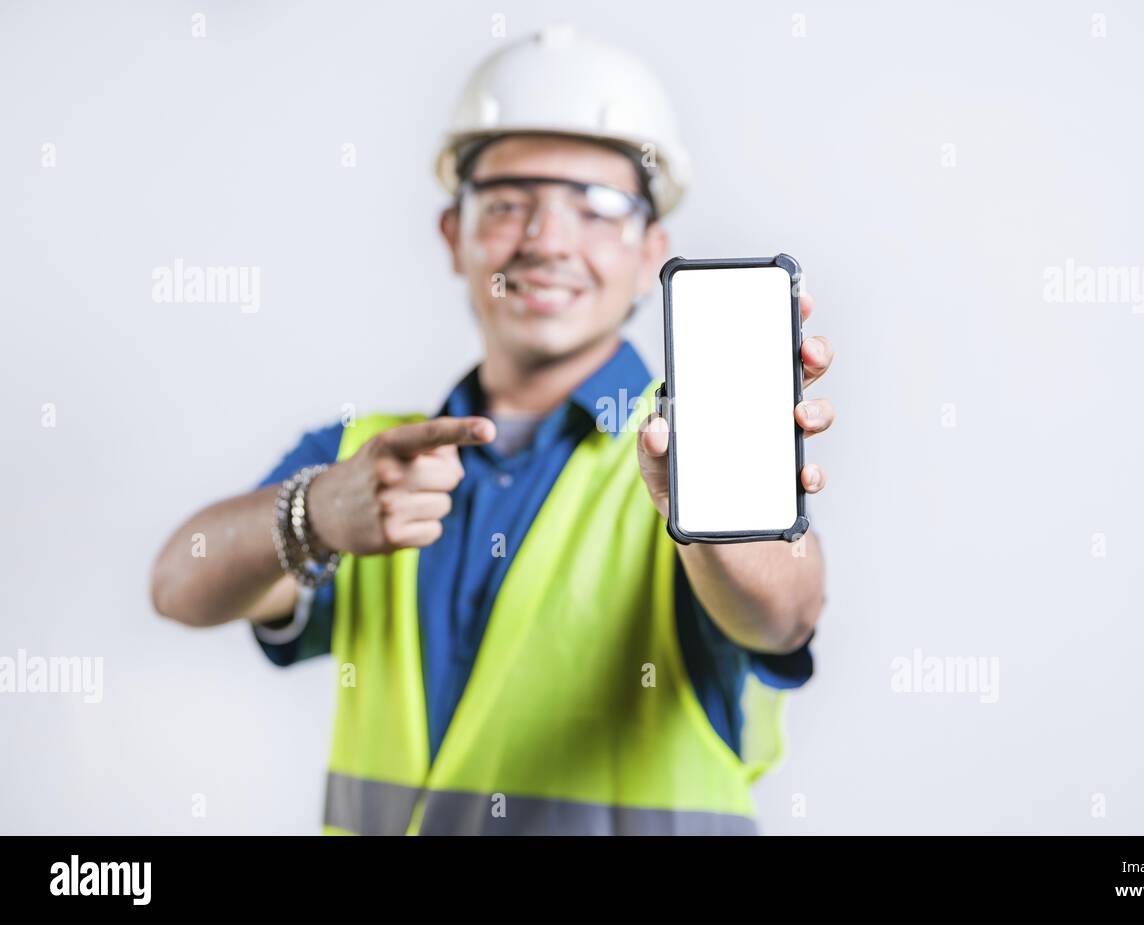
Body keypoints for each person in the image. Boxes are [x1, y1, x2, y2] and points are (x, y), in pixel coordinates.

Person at [150, 24, 836, 836]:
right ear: (454, 235)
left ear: (652, 248)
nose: (547, 241)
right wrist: (318, 514)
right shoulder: (362, 459)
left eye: (597, 208)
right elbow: (177, 584)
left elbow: (783, 616)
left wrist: (714, 502)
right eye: (509, 203)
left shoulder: (686, 451)